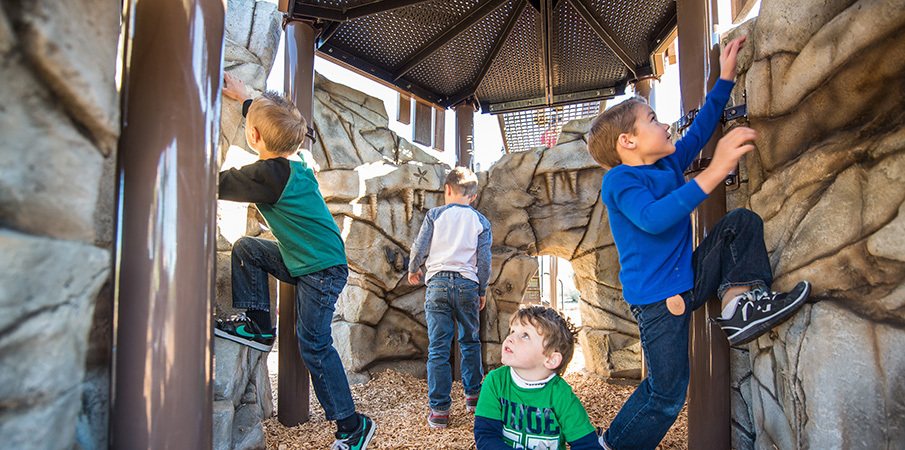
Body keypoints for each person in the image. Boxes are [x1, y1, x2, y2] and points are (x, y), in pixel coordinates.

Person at [586, 36, 811, 450]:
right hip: (657, 301)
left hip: (688, 278)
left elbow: (703, 126)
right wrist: (715, 171)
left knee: (739, 223)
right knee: (667, 393)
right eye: (653, 119)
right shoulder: (620, 181)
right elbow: (652, 220)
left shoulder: (668, 160)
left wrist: (724, 79)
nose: (665, 124)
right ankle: (611, 445)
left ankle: (738, 305)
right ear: (628, 142)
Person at [215, 73, 375, 450]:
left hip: (320, 269)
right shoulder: (294, 158)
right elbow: (273, 124)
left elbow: (215, 183)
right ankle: (258, 326)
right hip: (304, 259)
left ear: (253, 138)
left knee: (313, 344)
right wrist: (245, 98)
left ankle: (353, 427)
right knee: (248, 249)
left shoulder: (268, 176)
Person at [408, 167, 492, 429]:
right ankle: (474, 400)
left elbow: (419, 246)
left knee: (438, 348)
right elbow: (485, 262)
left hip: (437, 284)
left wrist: (414, 268)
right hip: (467, 284)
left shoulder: (435, 214)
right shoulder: (481, 221)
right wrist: (482, 290)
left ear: (446, 189)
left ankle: (439, 411)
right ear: (474, 196)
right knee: (470, 342)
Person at [473, 305, 603, 450]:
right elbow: (486, 436)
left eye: (525, 335)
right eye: (512, 331)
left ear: (550, 359)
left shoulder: (561, 394)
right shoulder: (495, 382)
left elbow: (586, 444)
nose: (510, 338)